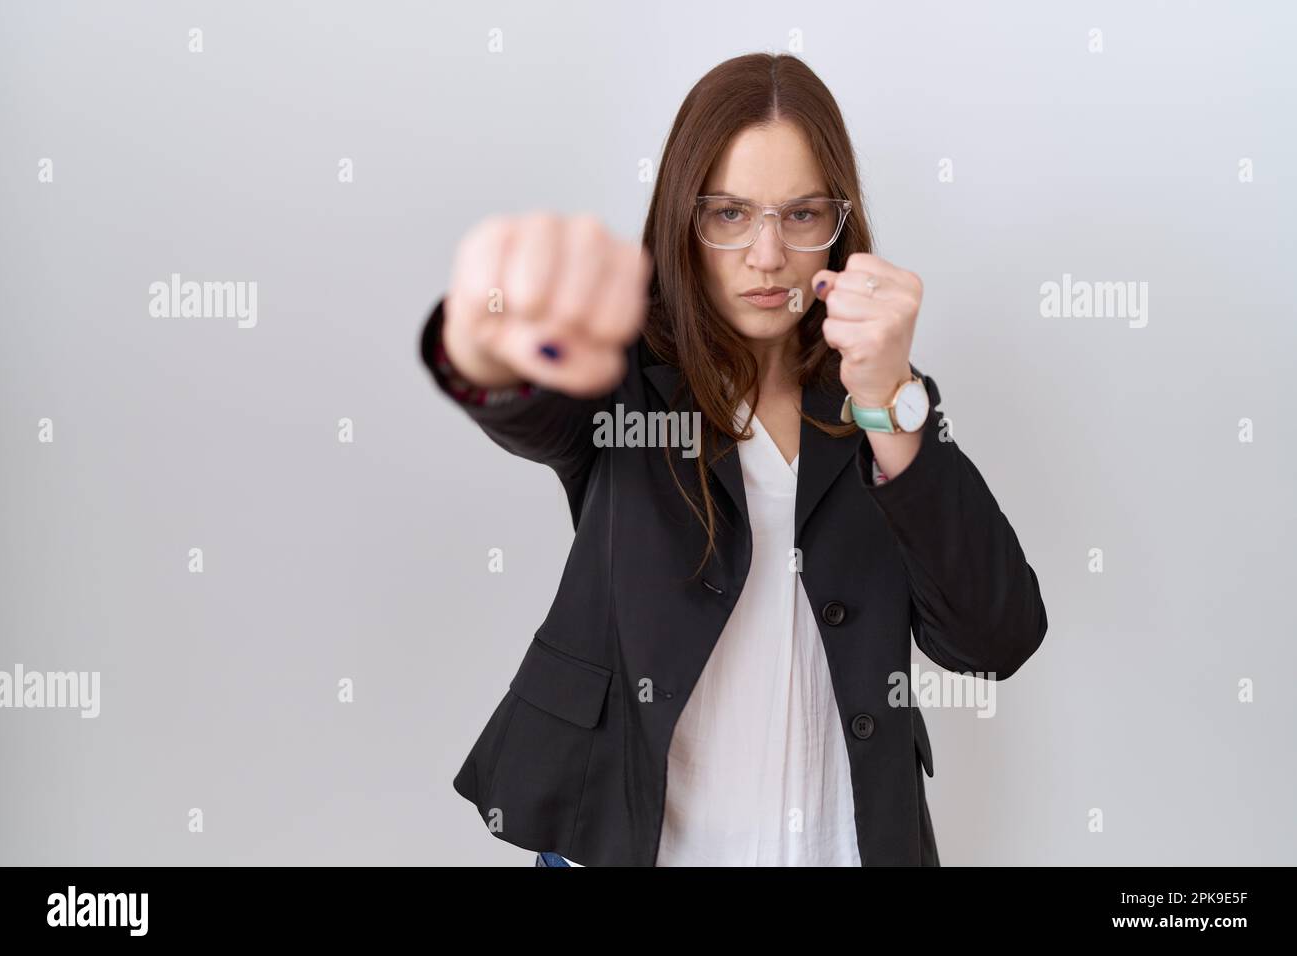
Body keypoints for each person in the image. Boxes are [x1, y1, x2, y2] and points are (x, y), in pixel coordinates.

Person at [423, 52, 1047, 866]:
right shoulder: (623, 372)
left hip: (835, 844)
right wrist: (483, 345)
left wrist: (893, 404)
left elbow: (995, 640)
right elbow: (523, 401)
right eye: (730, 214)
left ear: (840, 223)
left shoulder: (883, 394)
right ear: (685, 219)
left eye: (801, 214)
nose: (767, 254)